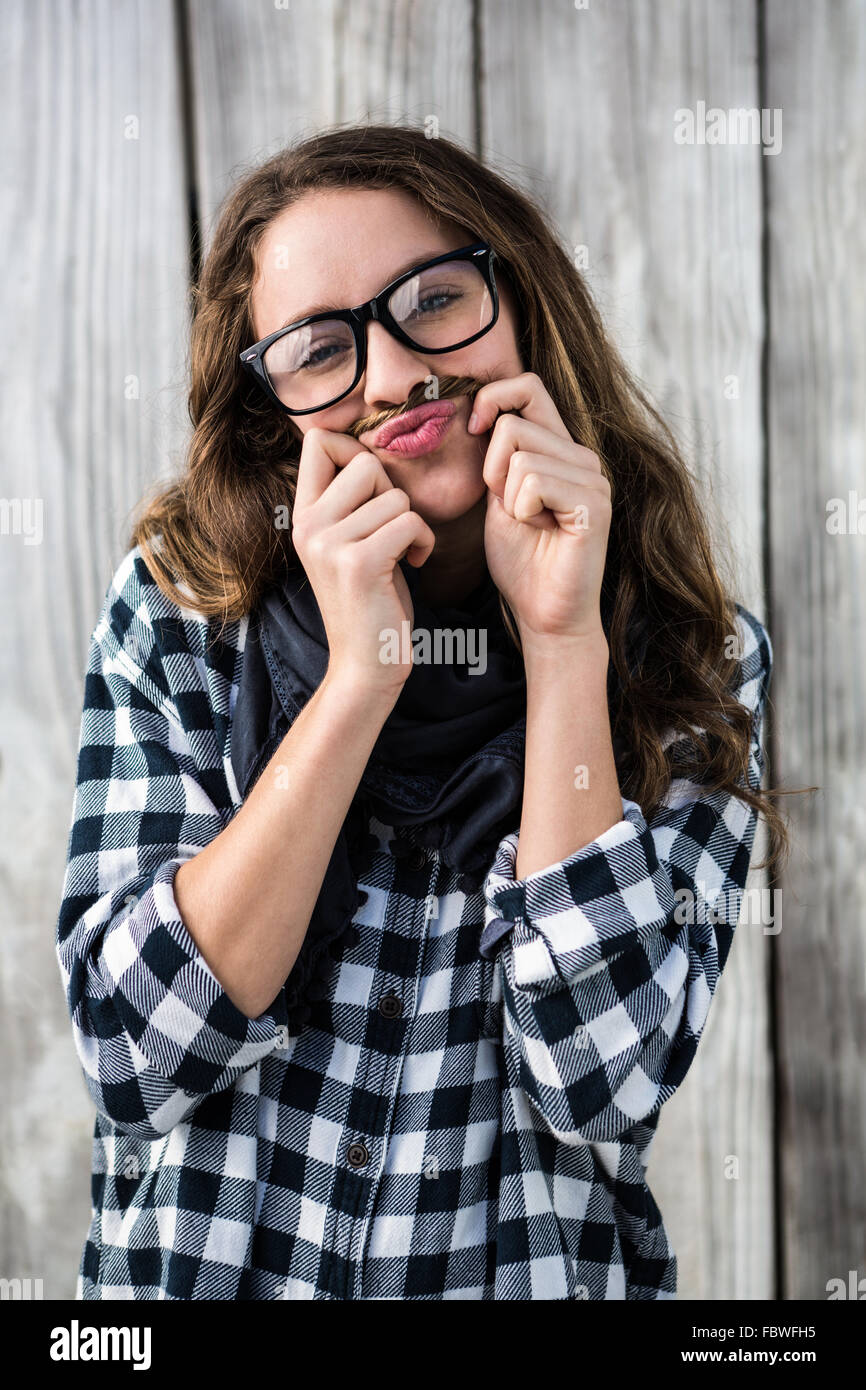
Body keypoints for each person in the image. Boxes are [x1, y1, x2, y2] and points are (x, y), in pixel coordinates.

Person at [55, 123, 785, 1301]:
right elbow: (134, 1054)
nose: (393, 376)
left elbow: (598, 1078)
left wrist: (560, 645)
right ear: (270, 411)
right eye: (315, 349)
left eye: (433, 298)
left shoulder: (695, 656)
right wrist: (357, 678)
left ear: (520, 302)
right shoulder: (184, 607)